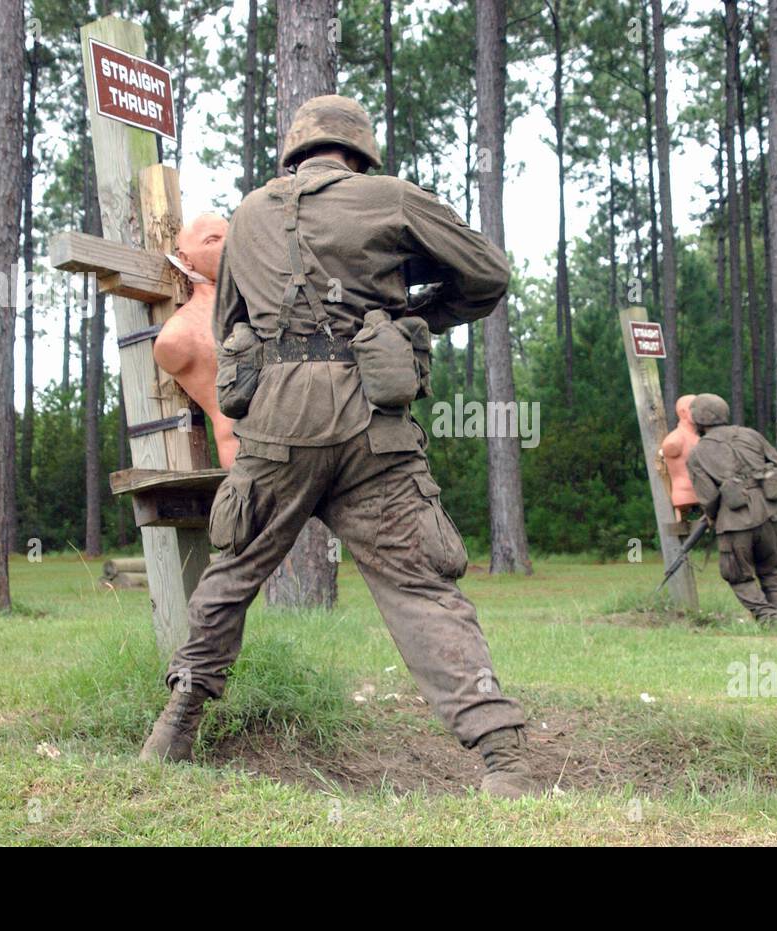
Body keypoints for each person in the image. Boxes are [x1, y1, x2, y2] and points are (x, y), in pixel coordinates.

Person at [141, 95, 537, 798]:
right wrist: (416, 313)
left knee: (233, 571)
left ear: (295, 151)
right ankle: (502, 758)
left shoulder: (250, 214)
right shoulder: (392, 198)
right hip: (370, 424)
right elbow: (489, 273)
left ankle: (174, 725)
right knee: (419, 585)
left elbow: (229, 320)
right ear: (360, 152)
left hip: (275, 427)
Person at [684, 393, 777, 622]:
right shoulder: (751, 435)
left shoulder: (698, 453)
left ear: (698, 420)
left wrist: (713, 517)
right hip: (768, 517)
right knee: (770, 570)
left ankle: (769, 618)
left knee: (738, 575)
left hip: (734, 523)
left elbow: (708, 497)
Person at [152, 213, 239, 467]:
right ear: (185, 260)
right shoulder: (179, 336)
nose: (227, 245)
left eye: (230, 236)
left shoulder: (262, 304)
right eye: (212, 240)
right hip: (249, 467)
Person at [658, 395, 700, 521]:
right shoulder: (674, 441)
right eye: (695, 408)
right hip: (685, 495)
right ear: (683, 412)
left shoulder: (701, 437)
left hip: (705, 494)